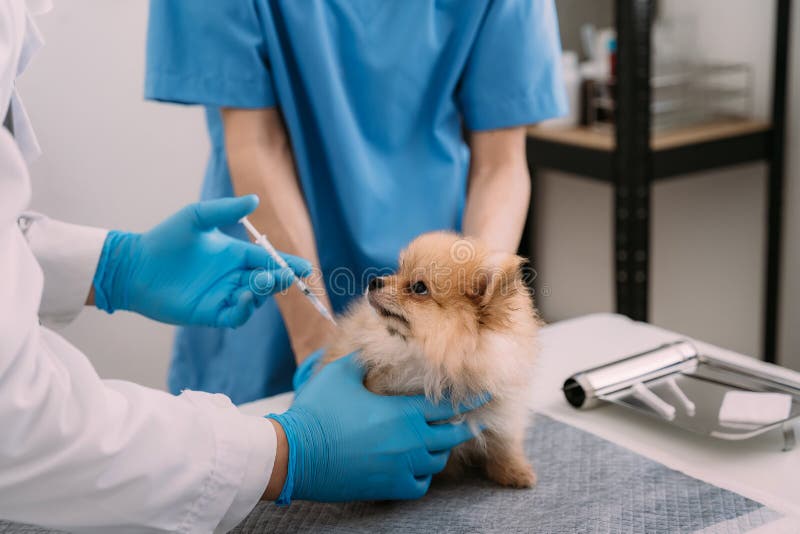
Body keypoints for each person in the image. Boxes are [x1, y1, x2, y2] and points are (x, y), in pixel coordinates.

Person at [0, 2, 485, 531]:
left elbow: (502, 161)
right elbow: (18, 424)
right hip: (261, 352)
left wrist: (104, 265)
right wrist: (286, 451)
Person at [146, 0, 567, 404]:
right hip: (274, 291)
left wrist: (475, 319)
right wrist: (322, 357)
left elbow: (499, 164)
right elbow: (258, 145)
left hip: (435, 304)